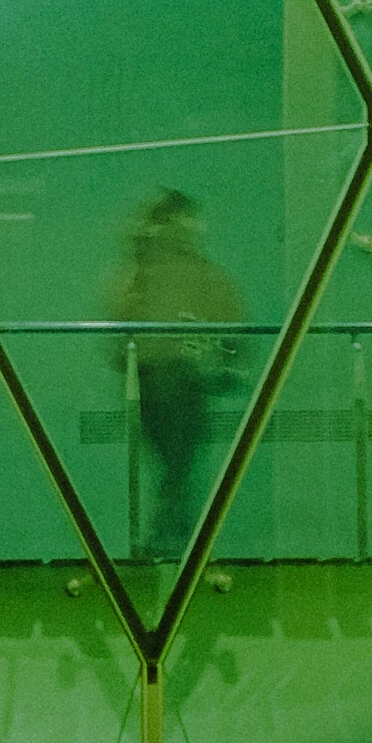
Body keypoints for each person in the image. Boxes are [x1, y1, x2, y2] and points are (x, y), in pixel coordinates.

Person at [100, 184, 247, 559]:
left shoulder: (135, 271)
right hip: (181, 379)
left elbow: (117, 330)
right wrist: (227, 363)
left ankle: (170, 540)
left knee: (175, 465)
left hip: (147, 379)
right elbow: (231, 322)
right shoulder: (196, 270)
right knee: (180, 465)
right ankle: (176, 541)